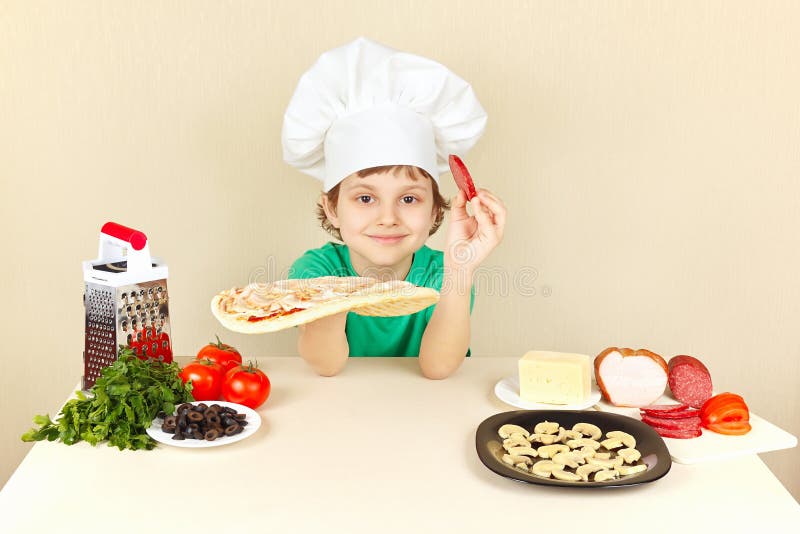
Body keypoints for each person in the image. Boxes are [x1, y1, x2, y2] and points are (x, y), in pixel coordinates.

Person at [281, 37, 507, 379]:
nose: (388, 218)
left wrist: (461, 269)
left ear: (435, 210)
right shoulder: (314, 271)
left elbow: (439, 367)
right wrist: (332, 297)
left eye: (409, 199)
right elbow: (325, 364)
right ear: (331, 208)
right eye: (365, 198)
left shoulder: (441, 274)